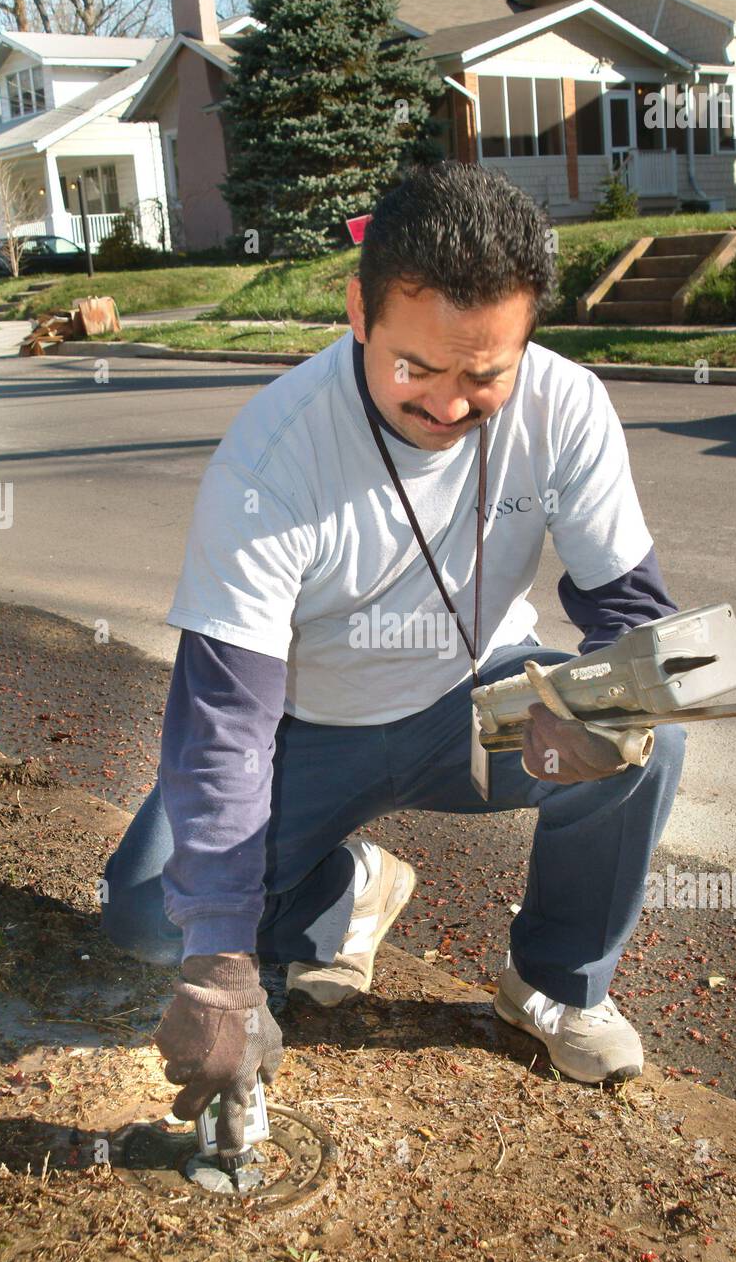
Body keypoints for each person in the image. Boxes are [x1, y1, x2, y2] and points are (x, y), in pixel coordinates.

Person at [102, 161, 685, 1161]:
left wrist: (632, 684)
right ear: (358, 313)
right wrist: (224, 972)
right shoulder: (273, 454)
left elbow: (626, 607)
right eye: (419, 367)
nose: (453, 405)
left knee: (643, 736)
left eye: (485, 372)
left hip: (472, 708)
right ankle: (351, 884)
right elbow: (225, 727)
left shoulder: (565, 407)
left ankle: (548, 982)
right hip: (305, 733)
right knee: (155, 919)